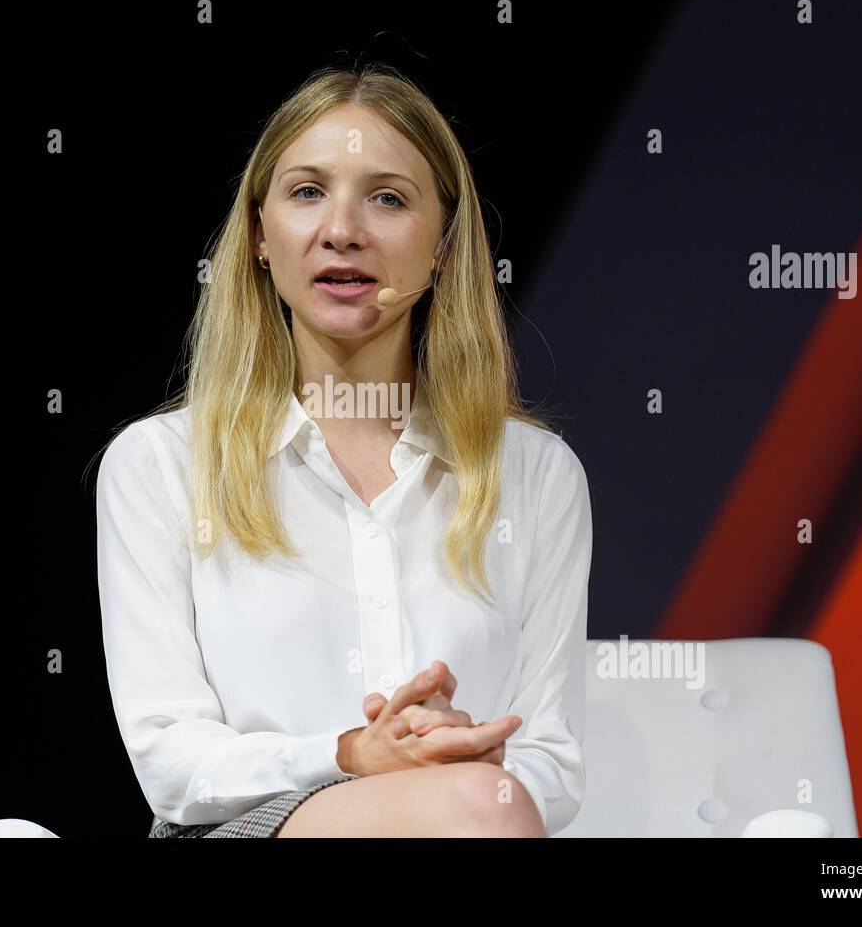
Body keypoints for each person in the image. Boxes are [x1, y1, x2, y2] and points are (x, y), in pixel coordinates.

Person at [94, 63, 593, 837]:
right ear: (261, 236)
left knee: (468, 809)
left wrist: (456, 759)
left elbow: (552, 767)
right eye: (306, 192)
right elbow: (172, 764)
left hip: (471, 823)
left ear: (442, 248)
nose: (343, 230)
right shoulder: (158, 464)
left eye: (388, 198)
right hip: (241, 828)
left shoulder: (537, 475)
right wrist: (353, 754)